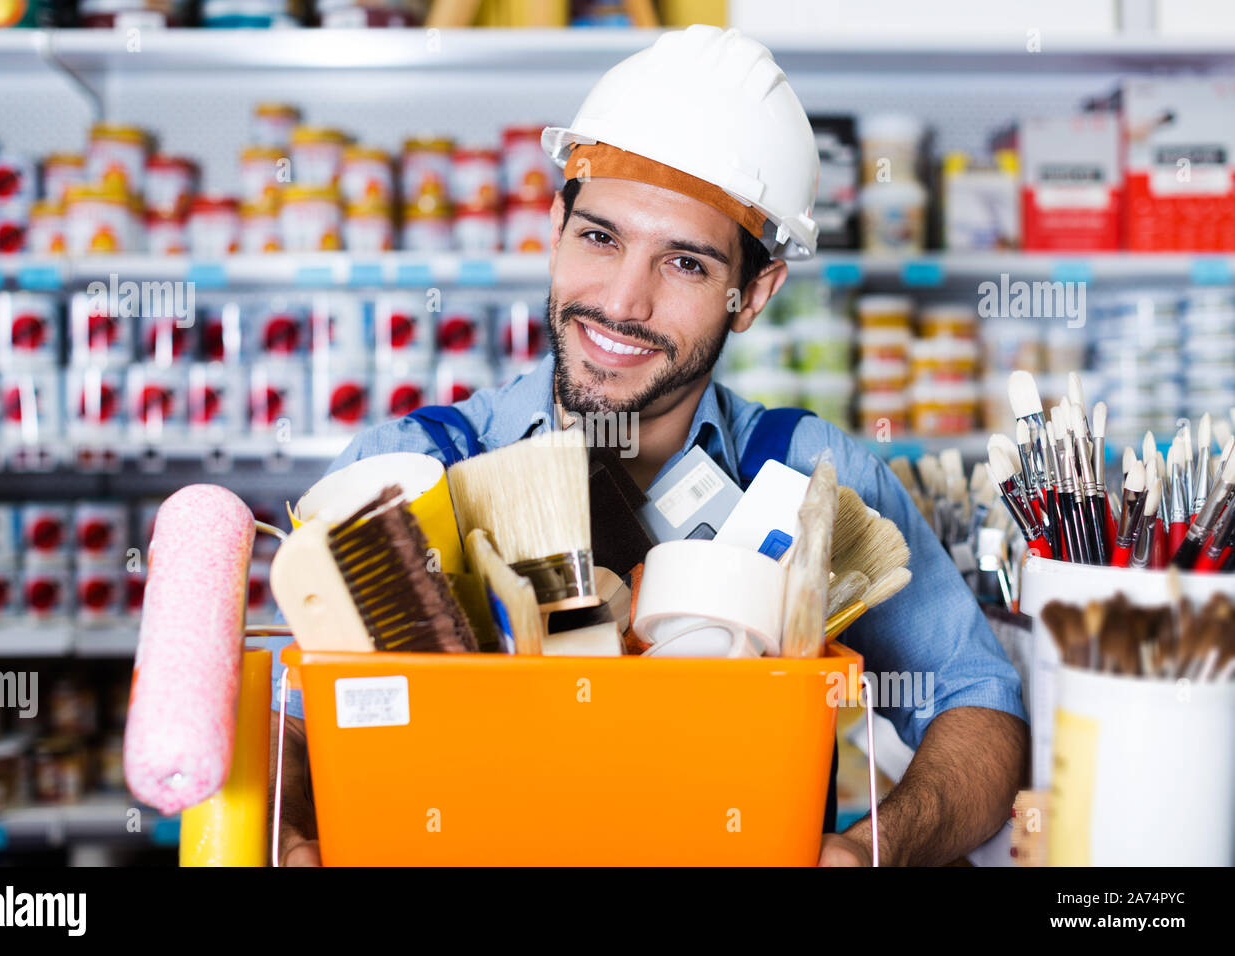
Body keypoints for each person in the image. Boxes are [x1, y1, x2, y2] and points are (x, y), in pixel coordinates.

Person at [265, 24, 1027, 867]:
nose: (623, 303)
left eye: (687, 264)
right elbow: (291, 719)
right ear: (554, 227)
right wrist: (291, 824)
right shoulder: (403, 474)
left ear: (754, 292)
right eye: (600, 237)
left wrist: (872, 850)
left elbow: (981, 705)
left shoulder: (816, 478)